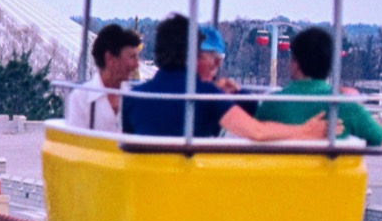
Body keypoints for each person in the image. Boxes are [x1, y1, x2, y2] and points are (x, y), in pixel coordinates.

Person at [123, 14, 328, 141]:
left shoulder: (133, 97)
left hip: (146, 195)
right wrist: (305, 131)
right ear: (192, 53)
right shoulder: (205, 96)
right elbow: (257, 131)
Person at [256, 26, 382, 152]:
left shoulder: (271, 104)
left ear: (295, 63)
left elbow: (255, 135)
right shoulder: (344, 106)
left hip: (282, 178)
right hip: (331, 179)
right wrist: (358, 108)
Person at [64, 23, 143, 132]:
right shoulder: (80, 99)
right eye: (132, 57)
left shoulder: (135, 98)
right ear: (110, 58)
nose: (136, 65)